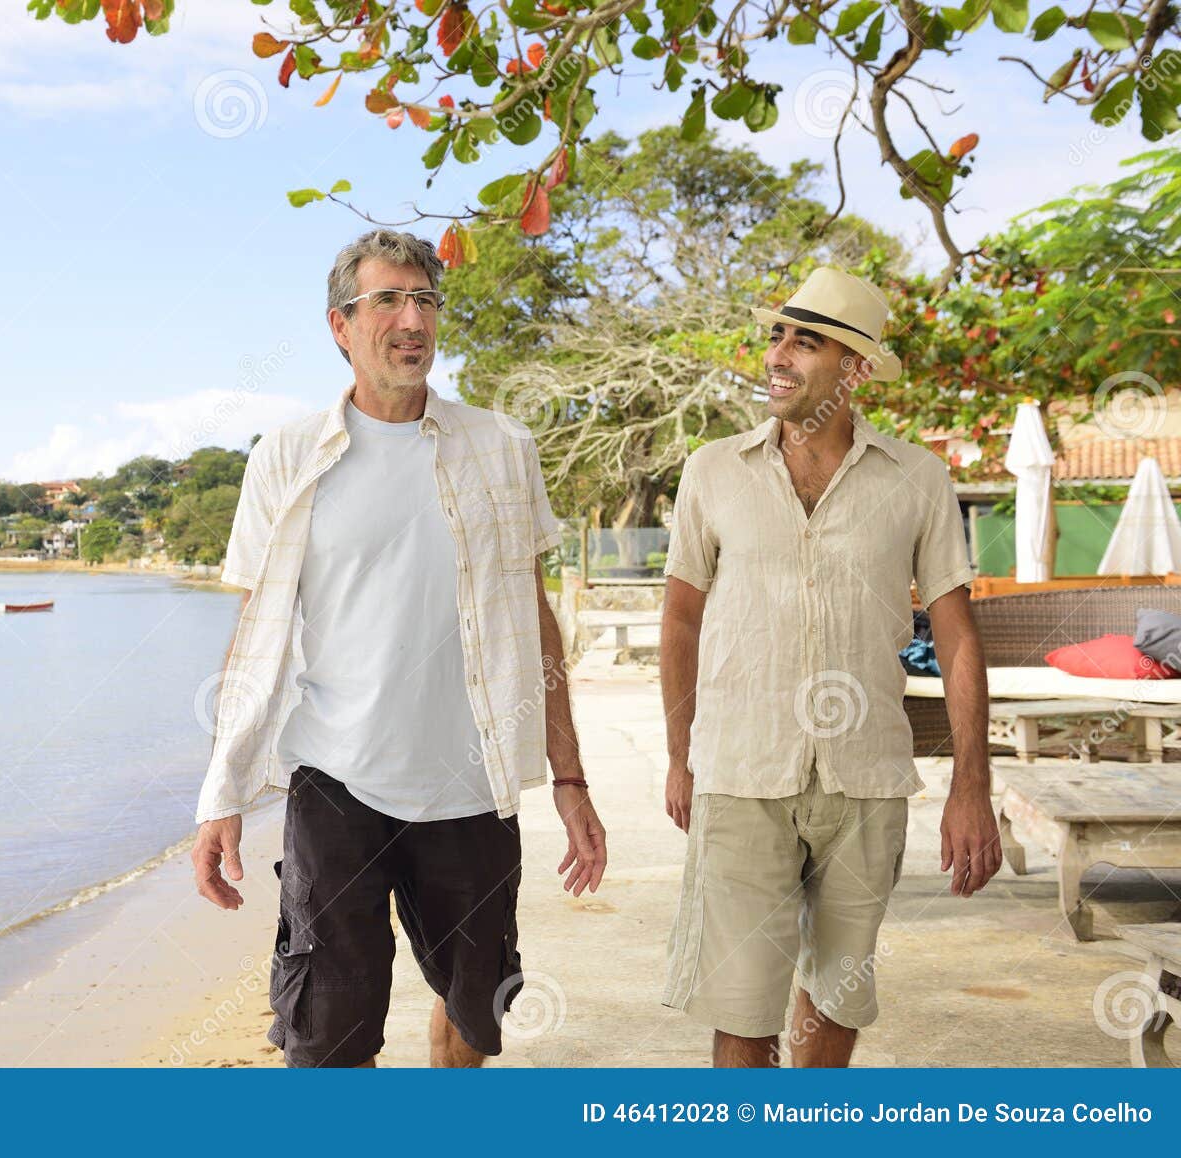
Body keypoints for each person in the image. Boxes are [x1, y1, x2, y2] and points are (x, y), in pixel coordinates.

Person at [191, 229, 607, 1068]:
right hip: (335, 781)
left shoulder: (500, 448)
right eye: (387, 300)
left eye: (424, 301)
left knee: (474, 1011)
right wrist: (220, 793)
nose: (411, 320)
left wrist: (568, 776)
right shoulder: (284, 458)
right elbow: (258, 635)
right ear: (340, 326)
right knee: (328, 1035)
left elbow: (534, 620)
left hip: (469, 781)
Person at [658, 266, 1000, 1067]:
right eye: (776, 335)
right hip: (742, 772)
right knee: (741, 1011)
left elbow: (956, 635)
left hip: (866, 780)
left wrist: (971, 787)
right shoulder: (713, 471)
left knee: (835, 1002)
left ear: (853, 369)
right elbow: (680, 618)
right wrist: (680, 756)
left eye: (803, 341)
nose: (777, 353)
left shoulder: (918, 478)